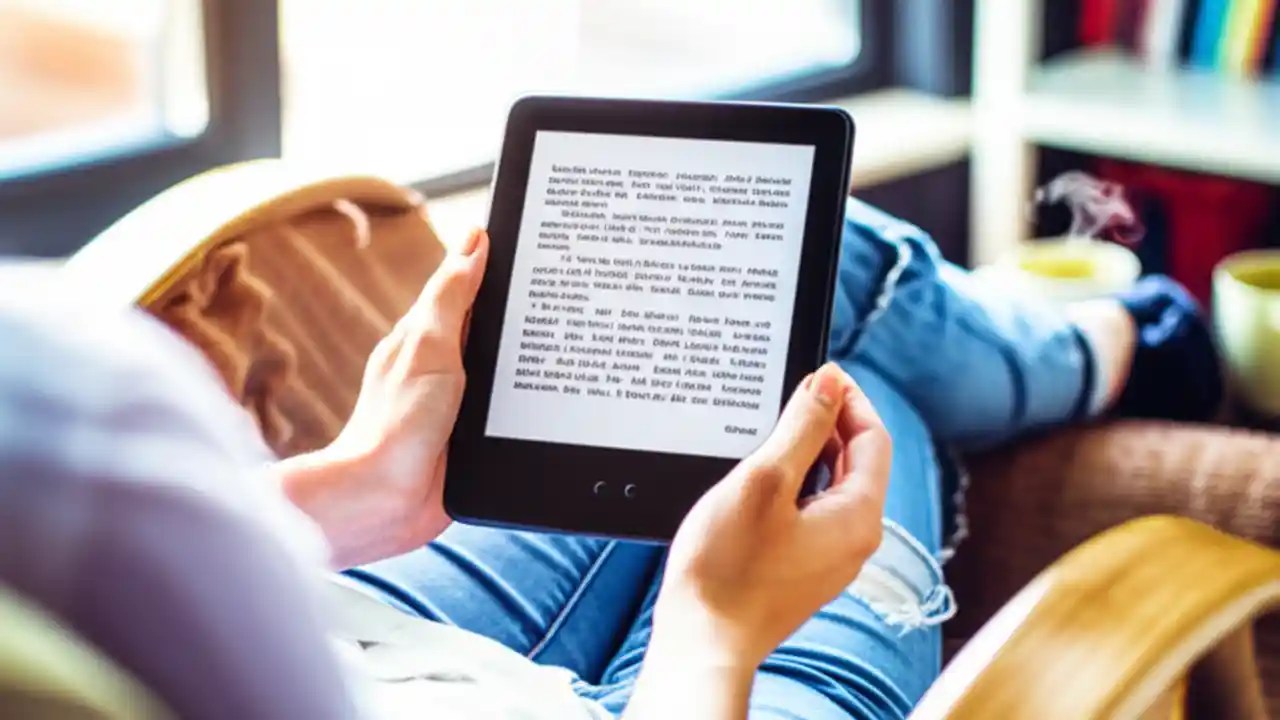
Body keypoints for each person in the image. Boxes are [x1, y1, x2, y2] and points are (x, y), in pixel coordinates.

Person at [0, 199, 1218, 720]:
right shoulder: (76, 404)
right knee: (839, 381)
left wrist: (342, 493)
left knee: (792, 261)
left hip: (367, 639)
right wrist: (713, 629)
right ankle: (1131, 339)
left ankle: (1096, 341)